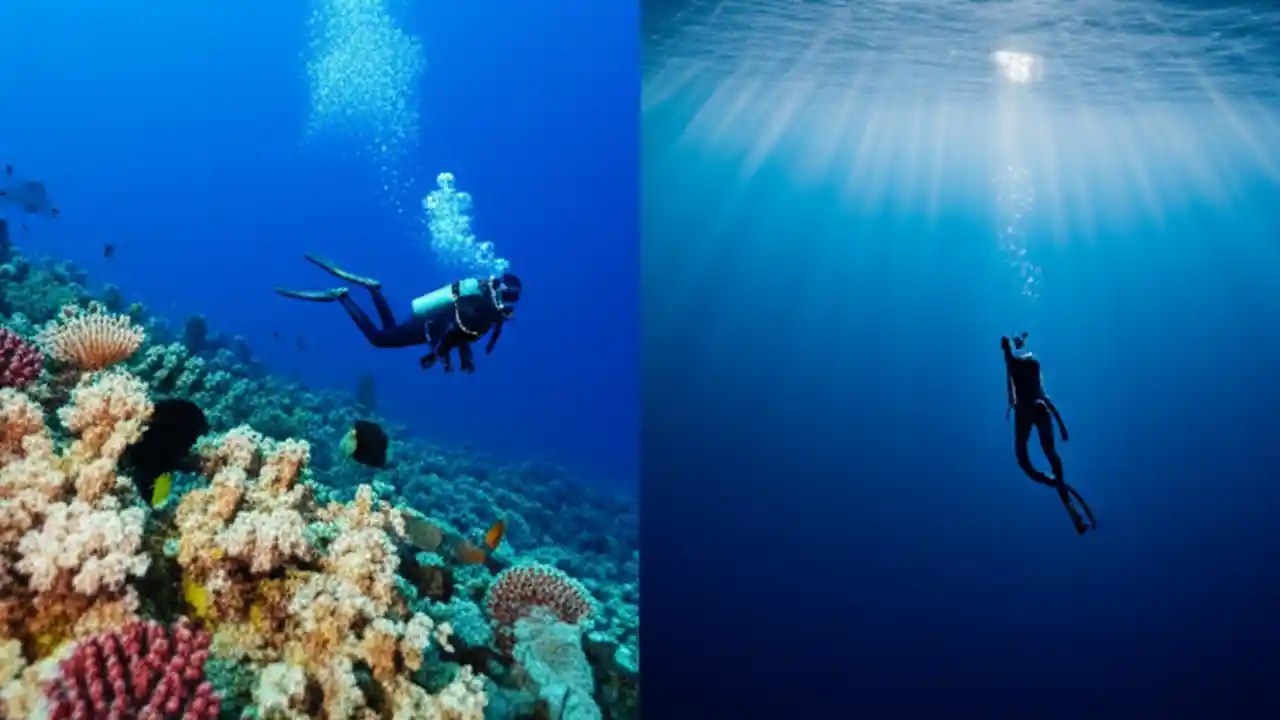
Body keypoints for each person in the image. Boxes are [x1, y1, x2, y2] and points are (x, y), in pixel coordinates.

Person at [276, 254, 521, 373]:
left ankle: (374, 291)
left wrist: (461, 358)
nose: (509, 308)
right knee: (378, 339)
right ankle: (343, 296)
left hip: (426, 322)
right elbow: (456, 331)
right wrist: (438, 356)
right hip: (426, 327)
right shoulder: (488, 313)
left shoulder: (485, 306)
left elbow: (462, 332)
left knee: (389, 330)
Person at [1001, 332, 1094, 535]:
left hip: (1032, 409)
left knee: (1040, 457)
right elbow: (1009, 359)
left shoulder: (1027, 371)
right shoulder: (1021, 368)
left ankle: (1058, 486)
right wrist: (1061, 427)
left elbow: (1045, 400)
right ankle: (1056, 484)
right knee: (1034, 460)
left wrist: (1061, 427)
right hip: (1029, 410)